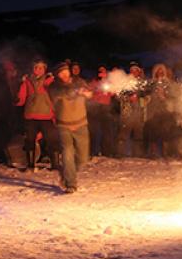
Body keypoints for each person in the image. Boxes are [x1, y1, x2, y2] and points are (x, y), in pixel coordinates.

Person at [50, 62, 92, 193]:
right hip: (64, 125)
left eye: (65, 71)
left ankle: (67, 172)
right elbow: (62, 94)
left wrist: (88, 94)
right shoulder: (54, 87)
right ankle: (70, 183)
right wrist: (75, 91)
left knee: (83, 158)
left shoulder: (80, 82)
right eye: (60, 73)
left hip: (81, 124)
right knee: (67, 153)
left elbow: (89, 94)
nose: (64, 74)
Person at [15, 58, 58, 172]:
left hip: (46, 115)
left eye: (41, 68)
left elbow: (55, 93)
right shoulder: (27, 81)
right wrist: (17, 96)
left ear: (44, 69)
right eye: (36, 68)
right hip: (31, 115)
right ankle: (30, 165)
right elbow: (21, 99)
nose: (38, 70)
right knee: (30, 140)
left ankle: (55, 164)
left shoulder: (49, 80)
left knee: (51, 139)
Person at [144, 63, 175, 158]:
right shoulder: (152, 83)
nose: (160, 73)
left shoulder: (168, 83)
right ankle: (153, 153)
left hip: (164, 110)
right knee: (153, 131)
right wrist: (149, 97)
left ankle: (165, 153)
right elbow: (146, 93)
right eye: (158, 71)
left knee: (165, 131)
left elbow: (173, 96)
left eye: (162, 71)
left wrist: (164, 96)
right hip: (153, 110)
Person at [117, 62, 147, 157]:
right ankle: (120, 153)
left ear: (139, 71)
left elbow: (147, 94)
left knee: (138, 134)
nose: (134, 72)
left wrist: (139, 97)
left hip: (139, 110)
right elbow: (119, 95)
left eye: (136, 70)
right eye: (132, 70)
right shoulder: (125, 82)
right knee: (124, 134)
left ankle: (137, 153)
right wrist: (128, 98)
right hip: (128, 111)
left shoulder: (142, 82)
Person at [88, 65, 116, 157]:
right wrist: (96, 92)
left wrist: (110, 89)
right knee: (94, 130)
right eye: (100, 71)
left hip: (106, 107)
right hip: (95, 107)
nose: (101, 73)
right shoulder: (94, 82)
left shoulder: (108, 82)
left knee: (107, 130)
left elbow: (113, 93)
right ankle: (93, 150)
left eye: (103, 71)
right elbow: (89, 93)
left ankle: (107, 151)